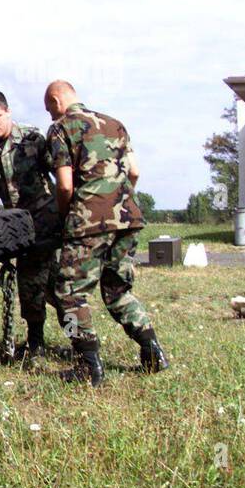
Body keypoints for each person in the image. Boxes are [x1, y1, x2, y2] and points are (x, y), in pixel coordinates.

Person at [43, 79, 167, 385]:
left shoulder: (62, 127)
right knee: (117, 290)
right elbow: (134, 171)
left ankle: (88, 364)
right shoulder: (116, 124)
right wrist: (118, 202)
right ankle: (152, 350)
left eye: (49, 109)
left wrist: (65, 216)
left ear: (57, 101)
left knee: (69, 292)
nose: (50, 115)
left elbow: (65, 184)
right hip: (129, 219)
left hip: (88, 221)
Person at [0, 89, 62, 358]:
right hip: (18, 230)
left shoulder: (33, 139)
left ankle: (81, 343)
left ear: (8, 111)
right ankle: (36, 345)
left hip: (47, 221)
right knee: (30, 288)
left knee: (61, 288)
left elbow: (57, 173)